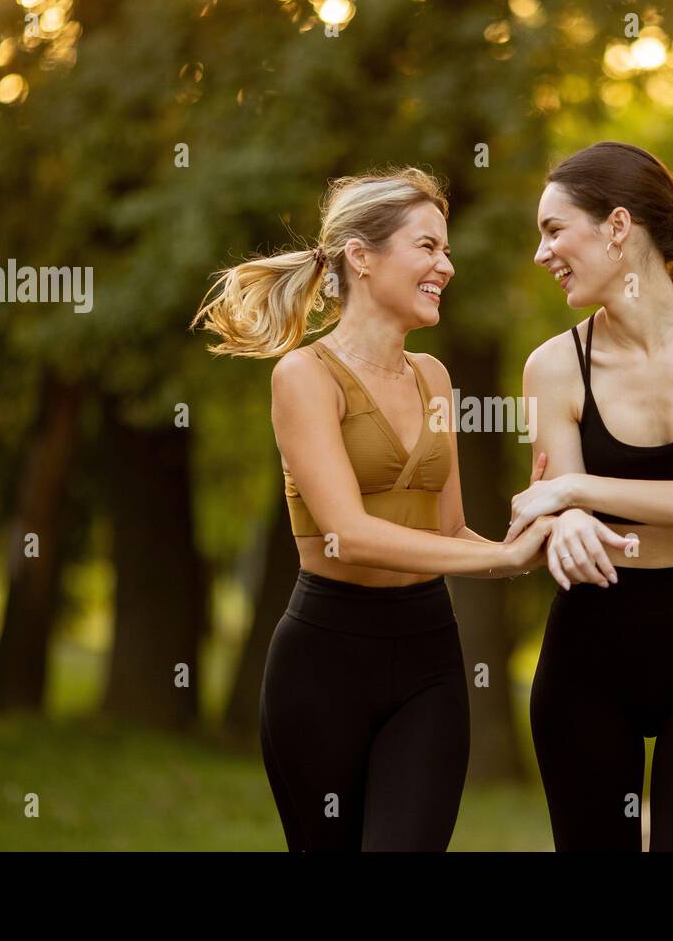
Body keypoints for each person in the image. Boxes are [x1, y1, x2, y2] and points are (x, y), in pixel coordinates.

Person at [190, 168, 621, 851]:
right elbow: (349, 536)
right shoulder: (304, 377)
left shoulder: (435, 379)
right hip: (321, 664)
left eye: (445, 251)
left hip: (427, 660)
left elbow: (447, 530)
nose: (444, 267)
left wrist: (523, 540)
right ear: (362, 258)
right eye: (427, 248)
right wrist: (500, 558)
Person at [506, 141, 673, 850]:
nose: (542, 254)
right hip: (587, 666)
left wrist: (572, 490)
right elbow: (572, 528)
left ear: (618, 227)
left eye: (553, 229)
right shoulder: (553, 368)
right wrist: (565, 522)